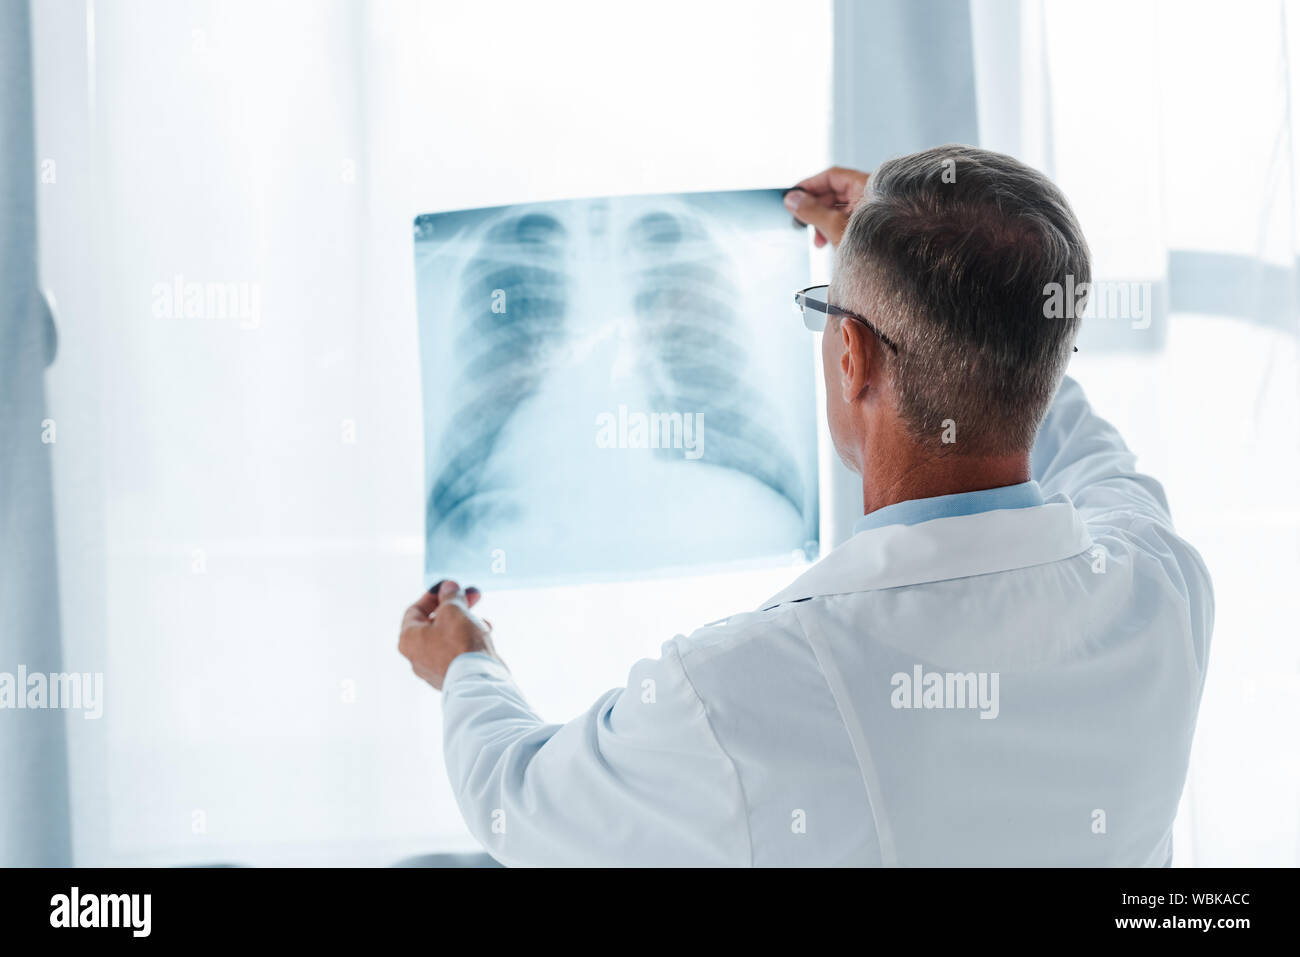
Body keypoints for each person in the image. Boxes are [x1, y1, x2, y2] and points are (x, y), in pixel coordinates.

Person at [398, 146, 1213, 866]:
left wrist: (467, 667)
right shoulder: (1161, 585)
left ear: (851, 356)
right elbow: (1074, 433)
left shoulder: (740, 691)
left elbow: (524, 802)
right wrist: (947, 285)